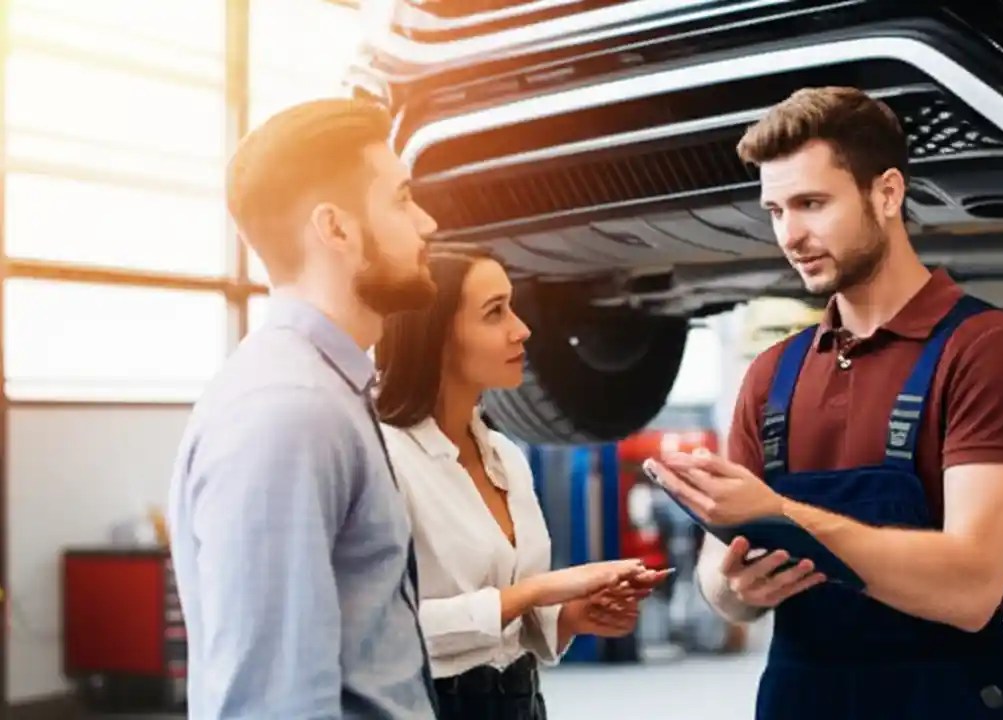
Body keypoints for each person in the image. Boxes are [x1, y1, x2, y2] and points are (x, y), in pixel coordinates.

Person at [645, 86, 1003, 719]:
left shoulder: (986, 350)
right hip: (797, 697)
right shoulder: (770, 375)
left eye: (811, 203)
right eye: (776, 210)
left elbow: (972, 585)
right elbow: (716, 585)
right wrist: (735, 586)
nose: (791, 235)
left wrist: (785, 516)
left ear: (887, 193)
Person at [167, 98, 444, 719]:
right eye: (402, 198)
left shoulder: (327, 392)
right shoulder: (290, 412)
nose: (427, 223)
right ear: (337, 229)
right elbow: (274, 702)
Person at [373, 250, 671, 720]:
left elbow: (512, 626)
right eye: (495, 312)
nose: (522, 329)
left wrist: (573, 616)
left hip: (519, 701)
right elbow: (384, 631)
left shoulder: (505, 458)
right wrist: (540, 592)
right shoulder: (384, 457)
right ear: (438, 336)